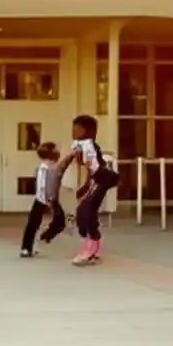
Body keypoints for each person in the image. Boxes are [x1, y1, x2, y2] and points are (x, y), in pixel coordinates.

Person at [65, 114, 118, 266]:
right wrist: (86, 186)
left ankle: (89, 249)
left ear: (85, 131)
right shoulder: (82, 144)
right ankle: (94, 246)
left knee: (85, 211)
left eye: (77, 129)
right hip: (97, 178)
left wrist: (76, 157)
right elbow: (88, 167)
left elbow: (87, 163)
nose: (73, 131)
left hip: (103, 177)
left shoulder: (87, 144)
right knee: (87, 211)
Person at [19, 142, 68, 257]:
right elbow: (46, 185)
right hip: (48, 198)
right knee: (38, 222)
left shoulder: (44, 167)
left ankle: (34, 243)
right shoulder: (50, 168)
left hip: (43, 198)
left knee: (36, 222)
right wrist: (49, 199)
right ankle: (31, 245)